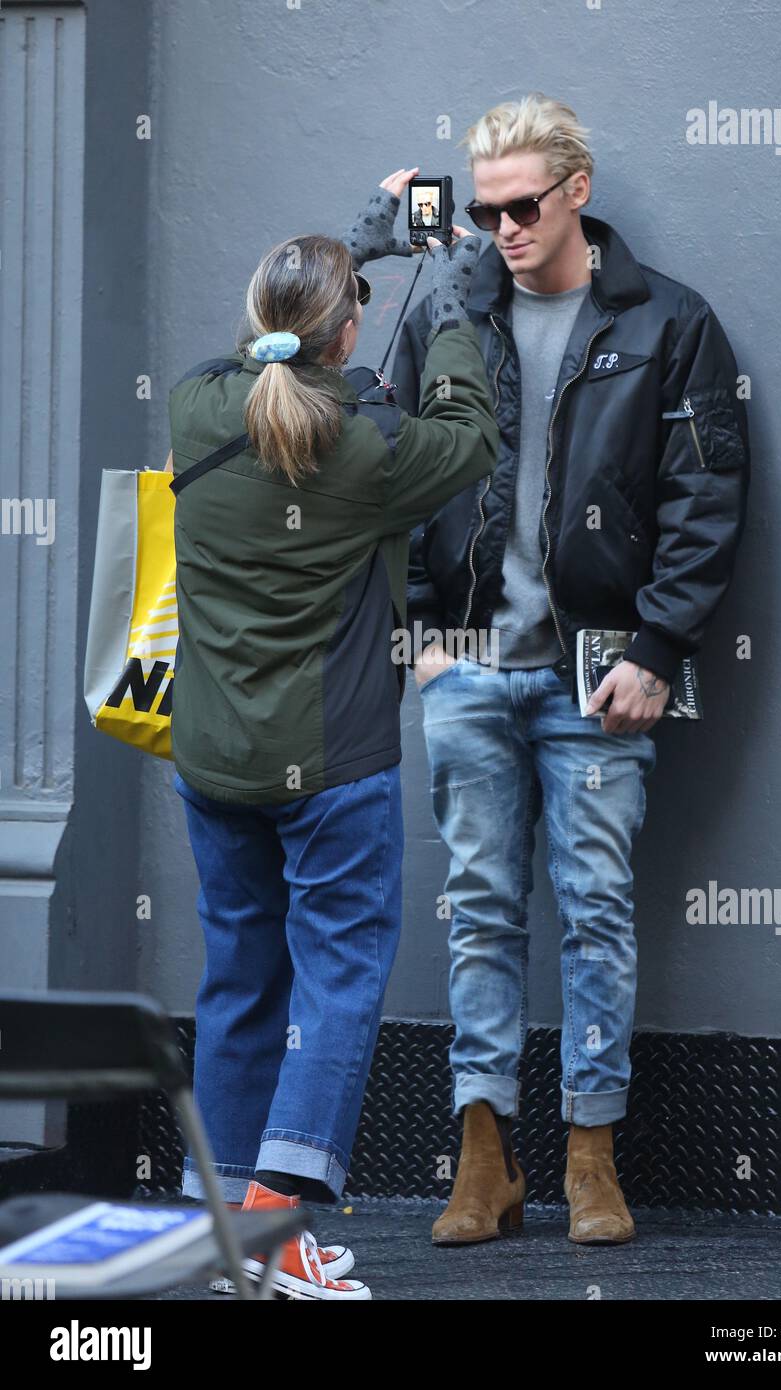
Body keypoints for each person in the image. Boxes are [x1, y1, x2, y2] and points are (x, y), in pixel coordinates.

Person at [393, 95, 750, 1246]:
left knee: (595, 909)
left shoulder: (666, 323)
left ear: (576, 192)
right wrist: (421, 630)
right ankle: (482, 1159)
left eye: (522, 205)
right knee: (480, 912)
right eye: (483, 206)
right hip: (471, 662)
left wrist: (658, 645)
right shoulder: (448, 311)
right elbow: (390, 463)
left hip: (597, 672)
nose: (500, 226)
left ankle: (590, 1157)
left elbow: (707, 494)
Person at [164, 168, 498, 1297]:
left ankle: (220, 1233)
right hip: (330, 772)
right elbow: (469, 432)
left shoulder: (198, 403)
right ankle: (275, 1228)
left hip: (212, 766)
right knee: (336, 981)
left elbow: (269, 347)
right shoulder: (364, 449)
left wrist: (358, 247)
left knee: (238, 983)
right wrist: (450, 295)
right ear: (349, 332)